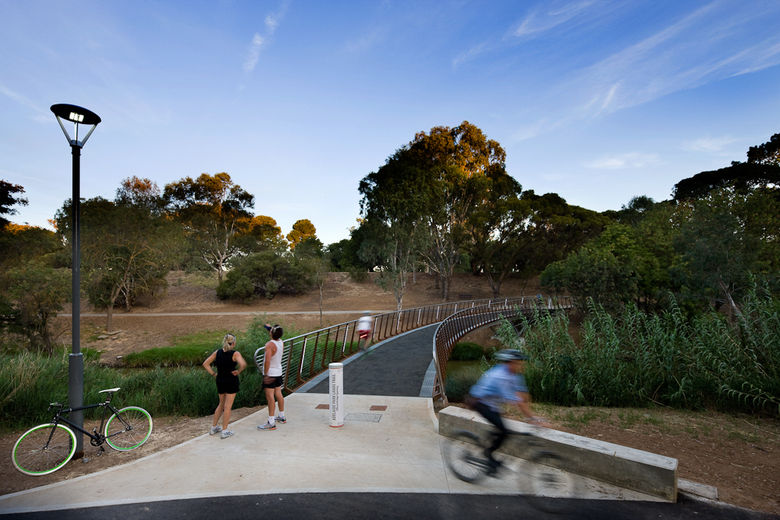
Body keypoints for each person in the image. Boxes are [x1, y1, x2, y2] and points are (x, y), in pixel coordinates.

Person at [467, 349, 547, 473]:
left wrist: (530, 412)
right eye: (517, 363)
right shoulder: (501, 376)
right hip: (480, 403)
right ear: (509, 363)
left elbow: (523, 395)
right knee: (504, 431)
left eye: (521, 363)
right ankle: (488, 453)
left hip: (493, 404)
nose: (521, 365)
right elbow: (518, 401)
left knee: (502, 430)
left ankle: (491, 441)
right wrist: (534, 419)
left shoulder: (515, 375)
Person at [202, 333, 247, 439]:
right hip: (231, 380)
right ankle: (225, 430)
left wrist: (213, 374)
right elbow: (243, 364)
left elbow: (205, 364)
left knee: (221, 404)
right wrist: (238, 371)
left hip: (220, 380)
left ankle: (214, 427)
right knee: (228, 407)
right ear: (234, 343)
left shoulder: (217, 352)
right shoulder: (235, 354)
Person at [258, 324, 285, 431]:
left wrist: (266, 374)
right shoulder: (280, 342)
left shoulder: (269, 345)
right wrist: (269, 327)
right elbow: (275, 333)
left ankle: (271, 422)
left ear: (271, 333)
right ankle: (282, 416)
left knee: (270, 398)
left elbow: (267, 360)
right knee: (278, 393)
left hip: (271, 374)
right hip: (278, 371)